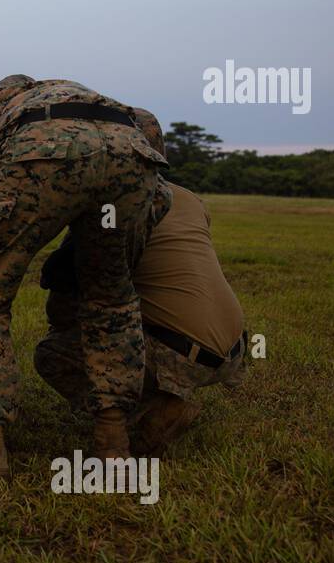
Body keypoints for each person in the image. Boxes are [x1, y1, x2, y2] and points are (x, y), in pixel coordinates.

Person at [0, 75, 169, 476]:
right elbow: (147, 126)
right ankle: (113, 443)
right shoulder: (71, 92)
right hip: (131, 151)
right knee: (111, 297)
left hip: (40, 149)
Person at [35, 110, 246, 454]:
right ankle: (166, 391)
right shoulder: (189, 197)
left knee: (52, 353)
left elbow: (61, 280)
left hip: (182, 351)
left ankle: (151, 409)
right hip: (233, 349)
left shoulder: (108, 201)